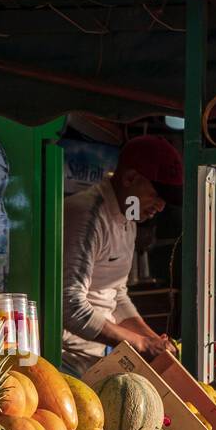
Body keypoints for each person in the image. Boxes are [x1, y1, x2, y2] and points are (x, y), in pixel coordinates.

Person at [61, 135, 184, 374]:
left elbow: (116, 294)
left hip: (96, 357)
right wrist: (139, 343)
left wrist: (154, 342)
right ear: (130, 178)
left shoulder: (130, 219)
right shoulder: (87, 216)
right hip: (65, 360)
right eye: (157, 195)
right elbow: (70, 306)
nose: (161, 207)